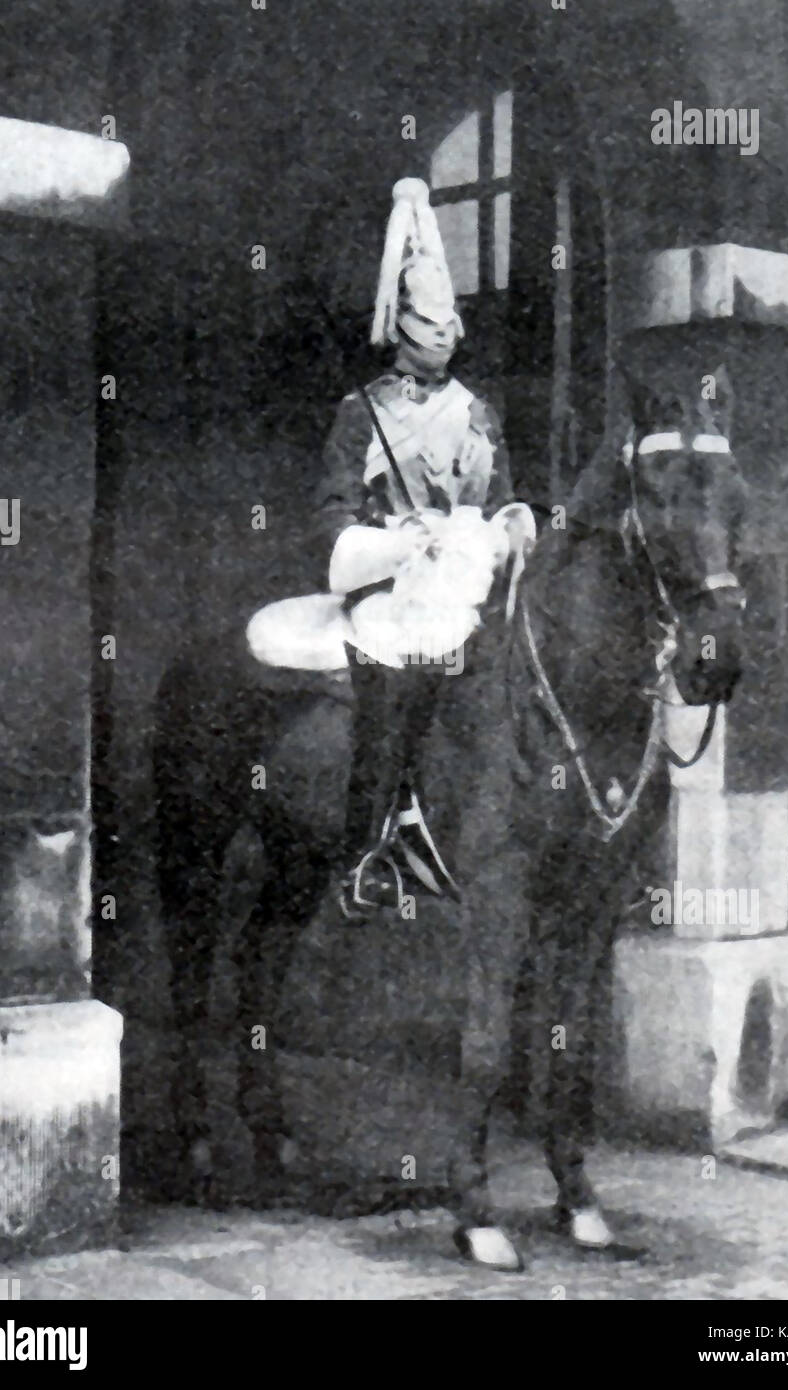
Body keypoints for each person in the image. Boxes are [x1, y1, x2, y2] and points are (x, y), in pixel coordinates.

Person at [248, 177, 518, 913]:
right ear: (399, 331)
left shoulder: (477, 413)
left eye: (446, 326)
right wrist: (396, 542)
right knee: (395, 676)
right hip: (388, 589)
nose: (439, 341)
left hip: (466, 584)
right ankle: (371, 845)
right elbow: (330, 519)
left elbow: (498, 501)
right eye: (424, 328)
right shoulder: (358, 413)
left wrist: (514, 521)